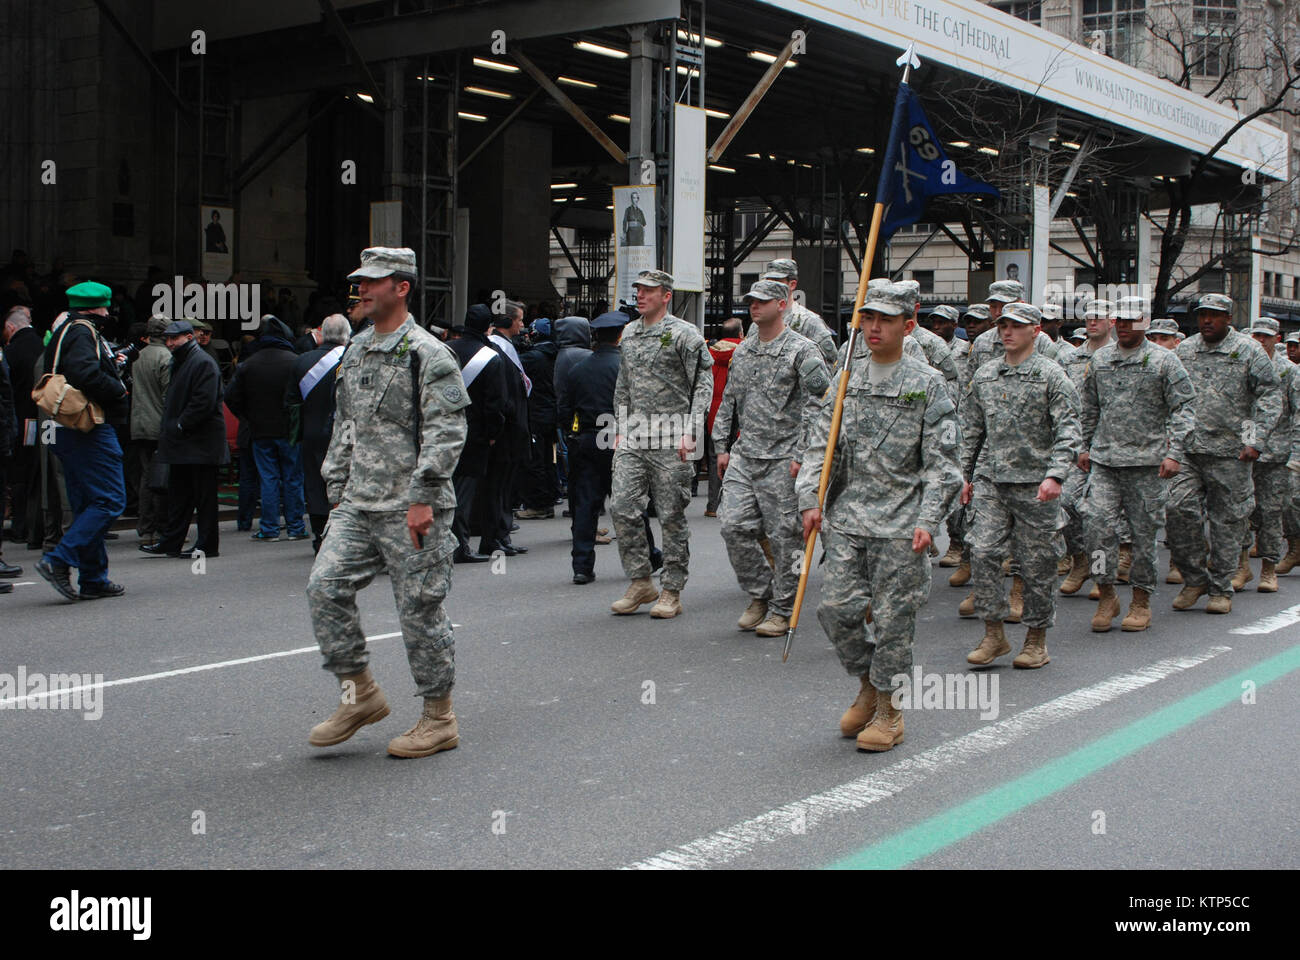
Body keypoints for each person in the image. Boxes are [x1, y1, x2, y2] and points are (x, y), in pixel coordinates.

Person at [306, 246, 469, 759]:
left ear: (401, 287)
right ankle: (360, 695)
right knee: (324, 587)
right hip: (358, 503)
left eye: (373, 282)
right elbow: (345, 426)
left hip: (411, 506)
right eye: (360, 281)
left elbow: (447, 431)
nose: (362, 289)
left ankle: (439, 717)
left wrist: (423, 497)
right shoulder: (354, 350)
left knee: (419, 610)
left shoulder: (427, 353)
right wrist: (336, 490)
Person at [796, 281, 962, 752]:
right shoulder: (845, 379)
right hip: (847, 517)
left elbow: (944, 463)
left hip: (902, 522)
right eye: (867, 318)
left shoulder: (927, 385)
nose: (873, 327)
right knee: (837, 611)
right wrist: (810, 497)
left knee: (893, 621)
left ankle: (890, 709)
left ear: (908, 326)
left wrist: (929, 520)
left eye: (885, 320)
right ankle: (869, 682)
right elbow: (819, 445)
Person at [961, 301, 1081, 670]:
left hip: (1036, 484)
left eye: (1015, 326)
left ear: (1036, 330)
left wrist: (1055, 475)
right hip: (992, 480)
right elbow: (970, 429)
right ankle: (994, 633)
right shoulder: (985, 375)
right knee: (982, 553)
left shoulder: (1052, 375)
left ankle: (1035, 639)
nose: (1006, 332)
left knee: (1038, 564)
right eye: (1002, 326)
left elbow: (1069, 431)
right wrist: (963, 475)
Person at [713, 279, 829, 637]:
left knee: (785, 537)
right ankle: (760, 594)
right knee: (732, 525)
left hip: (784, 458)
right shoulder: (745, 351)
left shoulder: (802, 350)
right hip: (746, 455)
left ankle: (783, 608)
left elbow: (820, 404)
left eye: (763, 301)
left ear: (783, 304)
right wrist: (721, 445)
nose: (754, 306)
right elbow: (729, 399)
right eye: (751, 301)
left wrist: (803, 453)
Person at [1079, 304, 1195, 631]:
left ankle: (1141, 600)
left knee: (1144, 538)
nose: (1125, 326)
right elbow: (1089, 408)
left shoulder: (1164, 361)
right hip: (1105, 462)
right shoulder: (1100, 360)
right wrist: (1084, 447)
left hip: (1148, 465)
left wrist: (1175, 453)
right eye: (1121, 320)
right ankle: (1106, 593)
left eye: (1133, 320)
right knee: (1097, 530)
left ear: (1145, 322)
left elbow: (1184, 408)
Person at [608, 269, 713, 619]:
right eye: (638, 289)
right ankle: (641, 580)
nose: (640, 295)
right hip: (635, 435)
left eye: (649, 291)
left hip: (672, 437)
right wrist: (620, 426)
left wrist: (692, 430)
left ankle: (671, 589)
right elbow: (624, 383)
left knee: (670, 515)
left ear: (666, 295)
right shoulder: (631, 333)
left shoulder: (684, 335)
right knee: (622, 506)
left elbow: (702, 384)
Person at [1167, 293, 1281, 614]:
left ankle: (1221, 588)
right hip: (1189, 449)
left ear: (1228, 319)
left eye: (1214, 315)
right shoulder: (1185, 350)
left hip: (1231, 453)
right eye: (1203, 315)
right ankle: (1194, 578)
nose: (1207, 321)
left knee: (1227, 522)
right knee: (1176, 509)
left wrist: (1253, 439)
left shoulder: (1248, 351)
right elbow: (1171, 395)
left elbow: (1268, 395)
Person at [34, 282, 129, 601]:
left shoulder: (66, 329)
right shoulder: (83, 330)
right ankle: (59, 559)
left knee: (87, 502)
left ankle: (93, 577)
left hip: (66, 427)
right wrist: (117, 389)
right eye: (107, 306)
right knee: (110, 499)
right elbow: (85, 373)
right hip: (88, 425)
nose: (109, 311)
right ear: (98, 307)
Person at [557, 310, 651, 584]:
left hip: (587, 439)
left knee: (585, 505)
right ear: (622, 335)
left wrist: (573, 433)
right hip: (621, 439)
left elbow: (564, 409)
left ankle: (582, 566)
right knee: (631, 502)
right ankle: (650, 555)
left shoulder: (577, 370)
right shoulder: (629, 367)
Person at [141, 320, 227, 558]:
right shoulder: (183, 360)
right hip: (187, 441)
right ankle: (171, 541)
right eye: (167, 339)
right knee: (180, 496)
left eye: (174, 339)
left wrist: (180, 424)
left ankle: (206, 544)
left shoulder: (200, 362)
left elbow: (204, 402)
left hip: (199, 442)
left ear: (188, 337)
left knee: (204, 497)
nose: (169, 343)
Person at [225, 316, 308, 542]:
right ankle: (295, 526)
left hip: (260, 429)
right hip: (290, 430)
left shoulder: (249, 364)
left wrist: (247, 416)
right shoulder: (296, 361)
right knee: (293, 478)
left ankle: (269, 528)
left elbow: (231, 396)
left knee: (268, 478)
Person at [1056, 299, 1116, 596]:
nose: (1092, 322)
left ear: (1112, 322)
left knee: (1100, 518)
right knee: (1065, 502)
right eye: (1089, 318)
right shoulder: (1070, 359)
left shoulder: (1119, 356)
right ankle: (1080, 559)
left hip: (1113, 449)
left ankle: (1102, 575)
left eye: (1099, 318)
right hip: (1076, 446)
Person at [1238, 316, 1299, 592]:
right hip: (1241, 452)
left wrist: (1296, 455)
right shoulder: (1241, 364)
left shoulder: (1289, 371)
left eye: (1266, 336)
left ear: (1277, 339)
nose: (1260, 341)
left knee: (1272, 512)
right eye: (1257, 336)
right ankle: (1240, 567)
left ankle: (1268, 568)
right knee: (1239, 511)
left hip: (1275, 454)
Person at [448, 304, 508, 563]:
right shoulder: (490, 356)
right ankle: (460, 545)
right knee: (464, 492)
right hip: (475, 433)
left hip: (441, 430)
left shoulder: (447, 350)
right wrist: (494, 433)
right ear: (488, 327)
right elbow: (495, 403)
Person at [287, 314, 349, 553]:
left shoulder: (302, 361)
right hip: (345, 432)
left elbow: (291, 402)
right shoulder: (352, 358)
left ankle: (319, 538)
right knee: (344, 484)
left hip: (312, 432)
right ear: (346, 334)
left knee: (314, 484)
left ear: (322, 333)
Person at [485, 300, 530, 555]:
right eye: (520, 319)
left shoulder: (505, 348)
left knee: (503, 486)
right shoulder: (498, 349)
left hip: (509, 428)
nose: (522, 325)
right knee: (499, 485)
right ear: (509, 321)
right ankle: (497, 536)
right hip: (505, 430)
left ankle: (500, 534)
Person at [129, 316, 171, 547]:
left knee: (146, 477)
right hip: (158, 425)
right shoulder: (166, 357)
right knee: (162, 479)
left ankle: (146, 528)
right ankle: (161, 527)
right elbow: (168, 397)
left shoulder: (139, 356)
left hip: (139, 424)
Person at [3, 306, 42, 546]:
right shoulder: (42, 344)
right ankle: (32, 524)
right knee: (34, 470)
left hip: (19, 418)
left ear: (10, 327)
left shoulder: (13, 350)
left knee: (19, 471)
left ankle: (19, 525)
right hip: (40, 417)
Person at [756, 259, 838, 366]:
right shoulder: (758, 322)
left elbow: (832, 362)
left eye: (777, 281)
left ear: (792, 284)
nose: (770, 287)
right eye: (768, 281)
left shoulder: (810, 322)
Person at [517, 318, 559, 519]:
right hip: (550, 413)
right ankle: (549, 497)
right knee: (549, 458)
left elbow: (514, 366)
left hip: (536, 414)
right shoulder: (555, 355)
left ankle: (538, 504)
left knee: (535, 460)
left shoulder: (533, 358)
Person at [704, 317, 744, 517]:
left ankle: (712, 505)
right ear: (740, 334)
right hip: (735, 412)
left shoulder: (709, 353)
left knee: (714, 458)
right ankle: (733, 505)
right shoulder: (744, 352)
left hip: (713, 410)